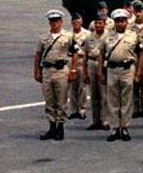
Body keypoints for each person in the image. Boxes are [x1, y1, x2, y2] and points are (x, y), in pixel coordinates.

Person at [100, 9, 143, 142]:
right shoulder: (107, 36)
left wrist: (139, 72)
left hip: (128, 69)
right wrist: (100, 73)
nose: (120, 23)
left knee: (126, 100)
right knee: (113, 100)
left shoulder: (133, 36)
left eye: (123, 21)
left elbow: (141, 53)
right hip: (113, 69)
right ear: (114, 22)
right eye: (118, 21)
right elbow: (101, 55)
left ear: (127, 22)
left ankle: (125, 127)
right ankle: (115, 127)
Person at [33, 9, 76, 140]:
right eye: (52, 21)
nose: (54, 23)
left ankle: (60, 128)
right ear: (49, 23)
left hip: (61, 71)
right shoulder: (43, 38)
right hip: (47, 71)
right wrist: (36, 71)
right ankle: (52, 128)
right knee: (49, 100)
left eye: (57, 21)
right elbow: (38, 55)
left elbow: (75, 53)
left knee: (61, 100)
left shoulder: (68, 36)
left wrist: (73, 69)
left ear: (61, 22)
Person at [81, 14, 109, 131]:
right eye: (96, 23)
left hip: (104, 65)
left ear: (104, 23)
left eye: (100, 23)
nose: (98, 25)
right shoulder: (89, 37)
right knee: (94, 95)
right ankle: (95, 121)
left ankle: (105, 120)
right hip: (92, 64)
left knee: (104, 95)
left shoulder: (109, 36)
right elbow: (85, 56)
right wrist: (85, 73)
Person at [65, 13, 89, 119]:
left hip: (82, 61)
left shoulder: (87, 34)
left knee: (82, 87)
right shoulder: (68, 35)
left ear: (81, 22)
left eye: (78, 22)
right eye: (74, 22)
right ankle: (74, 110)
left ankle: (82, 109)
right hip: (70, 61)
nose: (76, 24)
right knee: (72, 88)